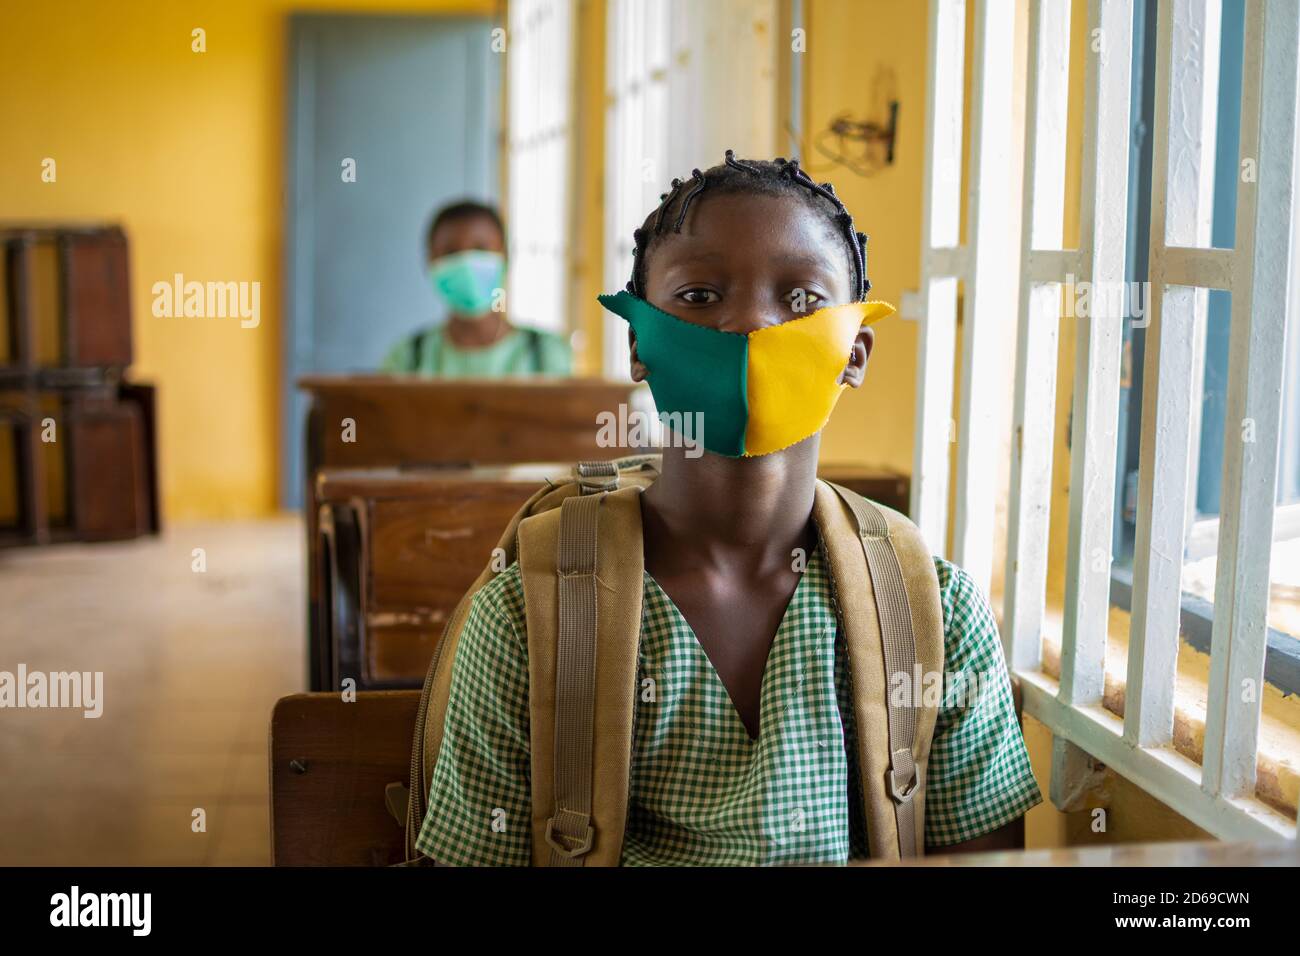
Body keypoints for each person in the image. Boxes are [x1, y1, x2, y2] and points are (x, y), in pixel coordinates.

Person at [416, 153, 1041, 865]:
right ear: (639, 344)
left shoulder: (935, 609)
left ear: (855, 354)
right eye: (701, 296)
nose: (749, 322)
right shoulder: (531, 615)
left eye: (802, 299)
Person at [380, 200, 572, 376]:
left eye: (480, 249)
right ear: (430, 261)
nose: (466, 262)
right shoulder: (408, 358)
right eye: (451, 252)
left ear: (505, 257)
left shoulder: (545, 354)